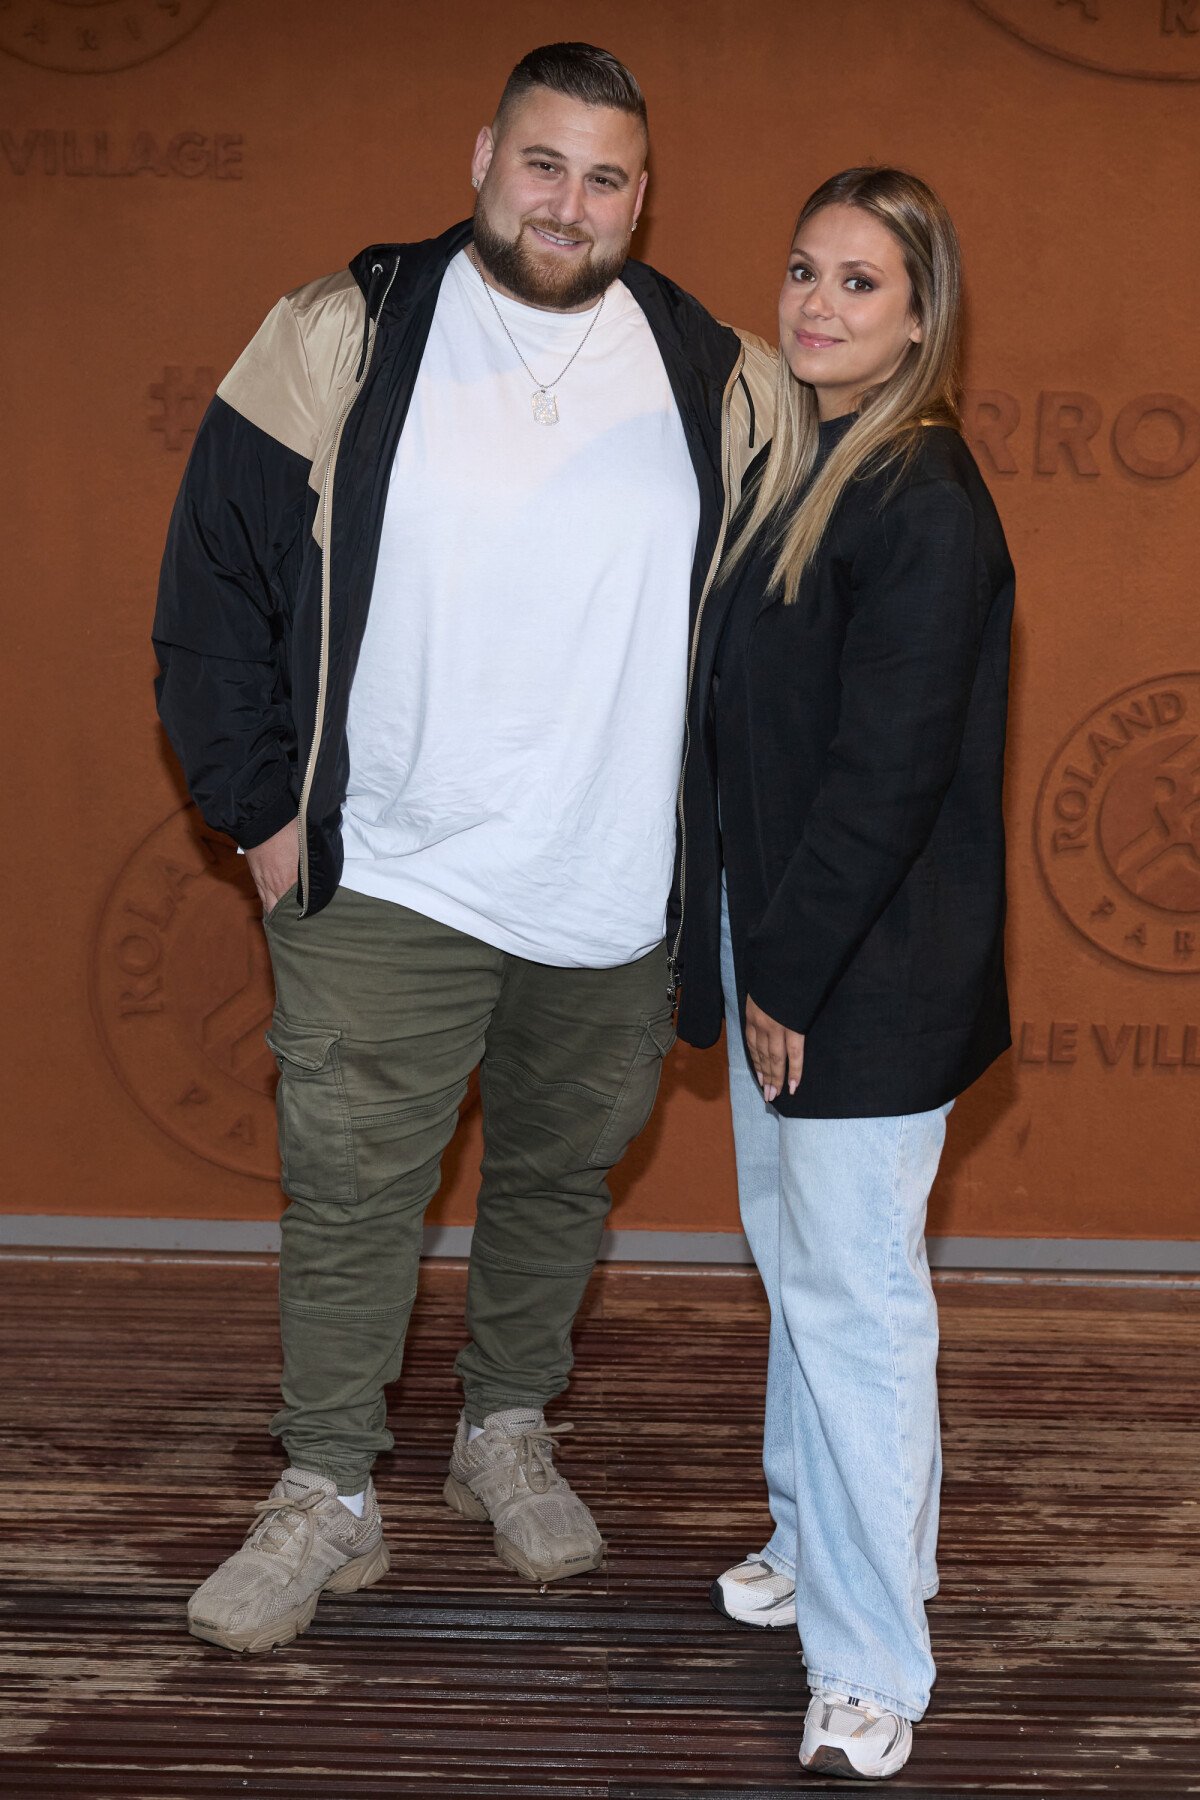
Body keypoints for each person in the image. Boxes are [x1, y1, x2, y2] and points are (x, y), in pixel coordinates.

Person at [153, 41, 774, 1654]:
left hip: (612, 885)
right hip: (390, 868)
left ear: (644, 195)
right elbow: (215, 576)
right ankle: (326, 1490)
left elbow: (801, 609)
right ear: (484, 157)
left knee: (560, 1178)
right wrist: (261, 812)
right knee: (353, 1192)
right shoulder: (343, 328)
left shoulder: (718, 372)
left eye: (606, 177)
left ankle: (504, 1428)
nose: (570, 203)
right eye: (544, 163)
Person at [675, 168, 1014, 1779]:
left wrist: (789, 975)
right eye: (806, 269)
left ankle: (874, 1657)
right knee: (807, 1269)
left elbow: (887, 779)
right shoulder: (814, 464)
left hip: (859, 968)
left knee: (860, 1300)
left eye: (860, 281)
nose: (818, 303)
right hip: (791, 941)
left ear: (921, 312)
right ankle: (819, 1544)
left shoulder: (922, 500)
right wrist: (752, 948)